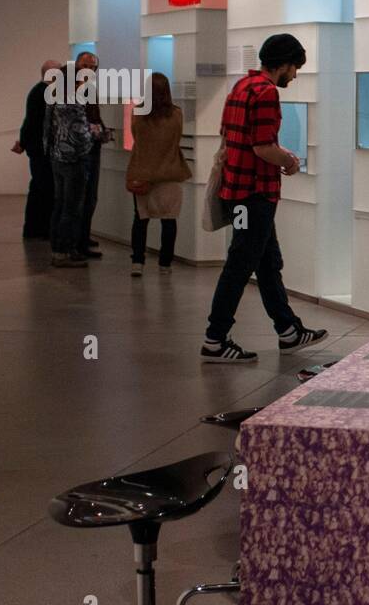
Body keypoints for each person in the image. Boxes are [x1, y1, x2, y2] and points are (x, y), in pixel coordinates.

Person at [201, 33, 327, 362]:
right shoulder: (267, 92)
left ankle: (288, 331)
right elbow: (262, 146)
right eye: (295, 67)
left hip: (237, 190)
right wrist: (290, 160)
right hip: (255, 193)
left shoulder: (241, 87)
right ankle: (215, 339)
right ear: (283, 64)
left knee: (268, 263)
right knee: (240, 265)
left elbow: (231, 137)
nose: (296, 75)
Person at [125, 73, 191, 277]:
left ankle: (138, 262)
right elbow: (177, 137)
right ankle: (165, 264)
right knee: (169, 220)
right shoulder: (177, 114)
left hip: (143, 172)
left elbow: (136, 137)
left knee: (141, 219)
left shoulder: (138, 113)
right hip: (170, 173)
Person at [43, 63, 93, 268]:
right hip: (73, 160)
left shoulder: (53, 97)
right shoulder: (74, 102)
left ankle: (57, 248)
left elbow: (47, 127)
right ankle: (64, 251)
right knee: (71, 207)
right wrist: (97, 135)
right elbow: (81, 133)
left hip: (56, 157)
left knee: (60, 204)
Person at [12, 59, 60, 239]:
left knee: (40, 188)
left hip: (38, 149)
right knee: (44, 189)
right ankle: (39, 229)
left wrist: (24, 143)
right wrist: (24, 143)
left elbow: (29, 122)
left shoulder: (38, 91)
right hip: (42, 150)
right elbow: (33, 123)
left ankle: (35, 229)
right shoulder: (44, 93)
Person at [75, 51, 110, 260]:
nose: (89, 70)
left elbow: (94, 116)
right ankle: (77, 242)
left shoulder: (89, 89)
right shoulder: (71, 91)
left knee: (90, 197)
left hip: (91, 148)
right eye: (85, 65)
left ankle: (82, 237)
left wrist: (102, 131)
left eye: (93, 67)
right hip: (80, 151)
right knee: (81, 198)